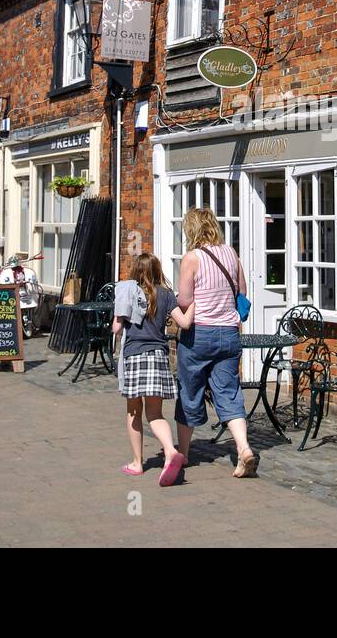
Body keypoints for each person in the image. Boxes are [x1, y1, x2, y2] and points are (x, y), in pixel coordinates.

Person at [173, 207, 258, 479]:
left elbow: (185, 300)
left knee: (190, 391)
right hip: (229, 333)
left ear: (192, 230)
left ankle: (184, 453)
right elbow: (242, 292)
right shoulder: (231, 254)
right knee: (229, 391)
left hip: (200, 334)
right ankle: (244, 449)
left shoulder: (192, 258)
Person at [112, 253, 192, 486]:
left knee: (134, 412)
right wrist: (196, 301)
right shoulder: (166, 295)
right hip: (158, 356)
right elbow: (185, 323)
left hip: (134, 356)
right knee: (155, 413)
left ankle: (138, 463)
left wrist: (117, 319)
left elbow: (117, 328)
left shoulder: (128, 291)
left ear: (136, 270)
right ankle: (170, 449)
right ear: (157, 270)